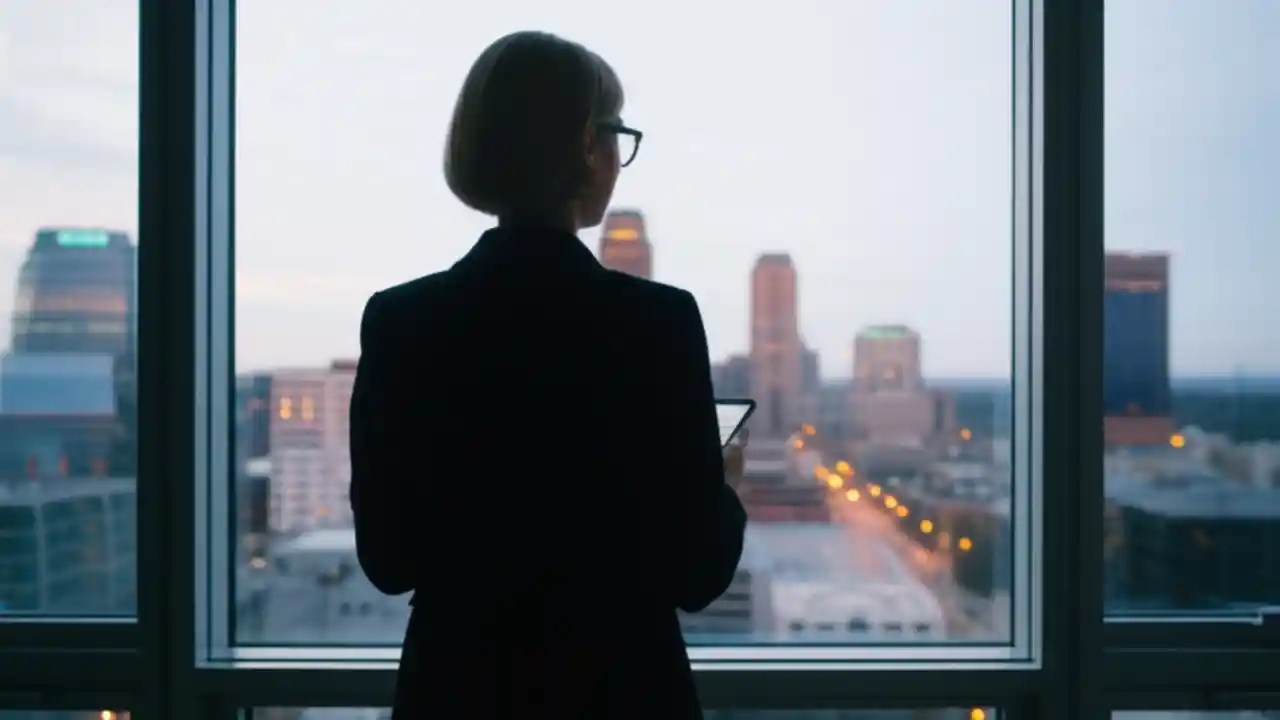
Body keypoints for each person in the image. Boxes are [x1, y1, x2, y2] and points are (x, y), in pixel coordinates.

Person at [348, 30, 748, 719]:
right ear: (586, 146)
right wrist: (722, 487)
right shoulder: (657, 324)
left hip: (458, 690)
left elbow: (387, 561)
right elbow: (697, 571)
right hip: (622, 691)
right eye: (615, 135)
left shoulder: (402, 321)